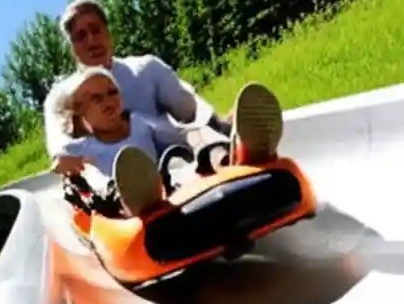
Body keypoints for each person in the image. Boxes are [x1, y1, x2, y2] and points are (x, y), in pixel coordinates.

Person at [51, 63, 285, 218]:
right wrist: (63, 165)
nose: (108, 100)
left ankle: (238, 155)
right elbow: (61, 163)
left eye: (112, 92)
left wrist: (203, 135)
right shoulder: (81, 147)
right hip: (122, 199)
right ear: (79, 116)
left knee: (196, 134)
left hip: (162, 185)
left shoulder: (138, 122)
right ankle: (138, 200)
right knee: (114, 181)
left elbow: (178, 133)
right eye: (96, 99)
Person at [43, 0, 235, 175]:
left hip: (173, 163)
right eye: (81, 36)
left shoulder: (146, 69)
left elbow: (190, 110)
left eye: (95, 30)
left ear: (109, 33)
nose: (91, 41)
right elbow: (60, 149)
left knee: (200, 138)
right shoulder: (61, 97)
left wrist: (214, 127)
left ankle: (230, 147)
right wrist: (64, 159)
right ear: (72, 47)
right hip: (113, 179)